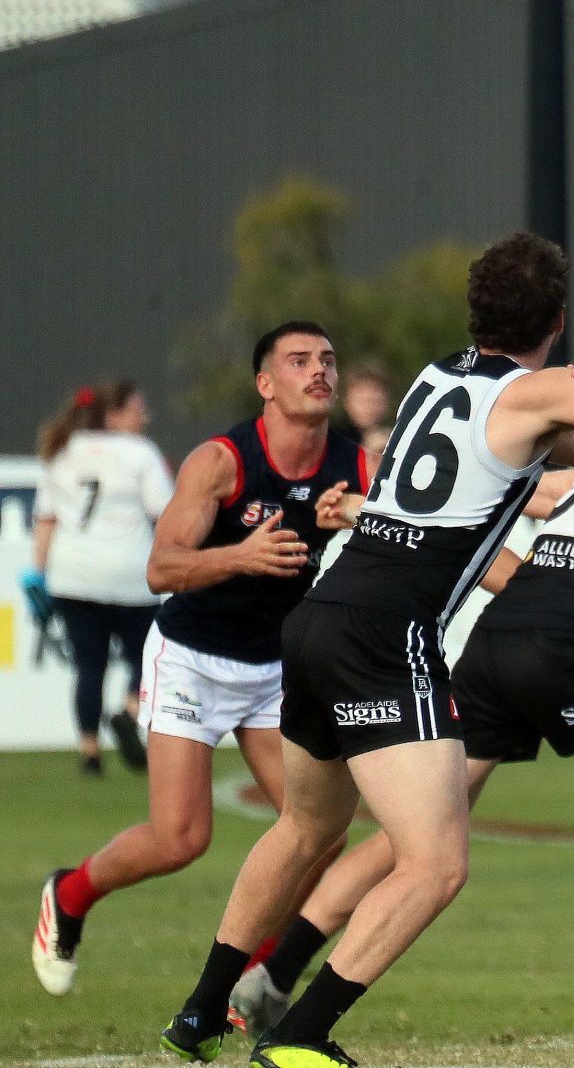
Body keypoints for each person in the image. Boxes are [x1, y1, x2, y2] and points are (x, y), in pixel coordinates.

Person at [153, 233, 574, 1068]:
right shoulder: (536, 391)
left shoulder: (439, 377)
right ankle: (298, 1038)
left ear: (475, 311)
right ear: (557, 318)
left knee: (306, 826)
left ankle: (198, 1012)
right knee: (436, 864)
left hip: (319, 617)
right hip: (386, 636)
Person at [242, 383, 574, 1039]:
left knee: (412, 836)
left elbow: (500, 493)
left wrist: (361, 505)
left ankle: (274, 974)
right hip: (561, 653)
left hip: (492, 645)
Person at [32, 330, 363, 1000]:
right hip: (193, 660)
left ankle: (253, 978)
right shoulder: (223, 461)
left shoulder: (357, 468)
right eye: (299, 361)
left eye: (327, 360)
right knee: (180, 837)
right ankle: (69, 893)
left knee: (322, 838)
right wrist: (241, 555)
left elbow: (425, 524)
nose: (318, 370)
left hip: (276, 667)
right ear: (266, 383)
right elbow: (162, 567)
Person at [26, 381, 168, 779]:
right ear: (114, 414)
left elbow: (46, 520)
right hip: (130, 576)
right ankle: (129, 711)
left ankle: (89, 752)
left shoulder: (61, 451)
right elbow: (165, 511)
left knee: (90, 665)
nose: (145, 416)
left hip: (72, 576)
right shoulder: (141, 454)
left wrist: (36, 574)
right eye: (138, 409)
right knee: (148, 655)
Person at [339, 367, 395, 461]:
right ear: (347, 402)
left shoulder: (396, 438)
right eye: (361, 401)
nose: (368, 408)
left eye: (374, 400)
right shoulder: (333, 440)